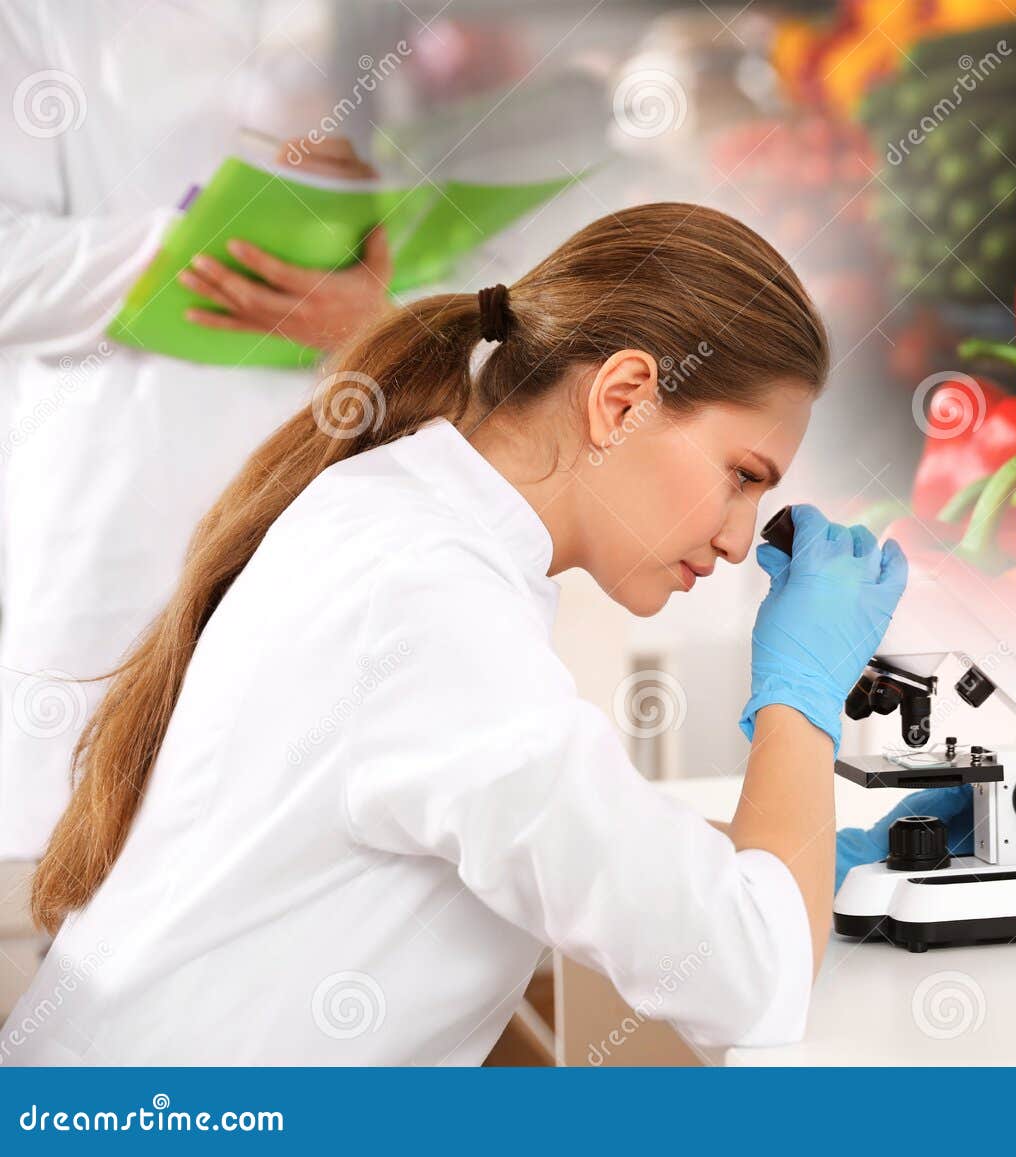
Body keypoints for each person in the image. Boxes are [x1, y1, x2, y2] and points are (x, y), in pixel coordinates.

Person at [2, 203, 908, 1065]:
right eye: (742, 475)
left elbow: (541, 824)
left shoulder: (414, 522)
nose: (741, 537)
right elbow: (753, 979)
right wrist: (802, 697)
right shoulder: (430, 602)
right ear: (623, 397)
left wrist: (786, 859)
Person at [0, 4, 401, 861]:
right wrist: (214, 256)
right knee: (96, 866)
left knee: (299, 858)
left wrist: (368, 307)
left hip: (325, 480)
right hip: (118, 499)